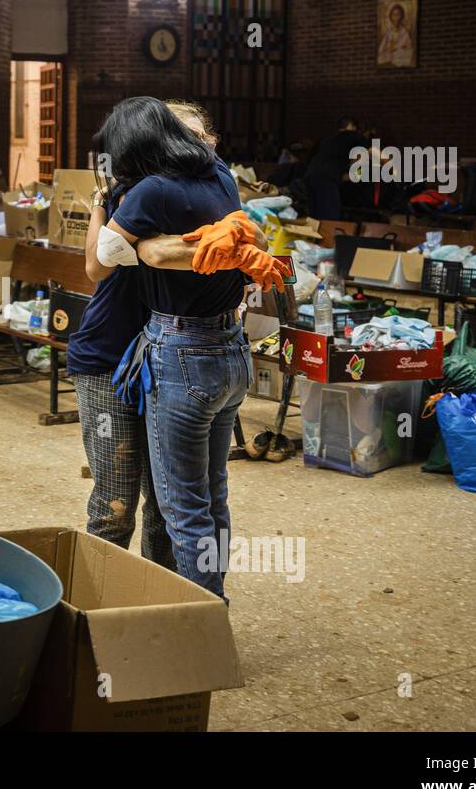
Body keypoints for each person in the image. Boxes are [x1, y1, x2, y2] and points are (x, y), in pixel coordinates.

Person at [91, 97, 284, 599]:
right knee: (214, 493)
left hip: (181, 354)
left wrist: (154, 246)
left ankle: (198, 626)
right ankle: (213, 601)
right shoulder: (221, 176)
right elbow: (246, 239)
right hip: (231, 351)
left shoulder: (152, 189)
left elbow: (105, 255)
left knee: (182, 505)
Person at [302, 117, 371, 221]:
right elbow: (373, 152)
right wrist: (393, 168)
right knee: (331, 218)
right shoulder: (354, 136)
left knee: (315, 218)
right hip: (326, 179)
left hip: (310, 175)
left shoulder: (328, 140)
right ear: (351, 126)